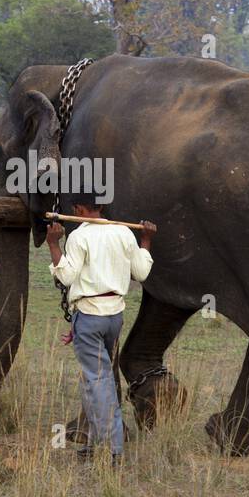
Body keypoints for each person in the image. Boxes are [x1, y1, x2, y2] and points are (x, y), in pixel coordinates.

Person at [46, 197, 156, 465]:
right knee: (95, 380)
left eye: (75, 210)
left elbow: (66, 277)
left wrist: (53, 244)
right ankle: (95, 443)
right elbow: (141, 273)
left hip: (90, 317)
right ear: (102, 208)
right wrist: (146, 240)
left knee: (98, 382)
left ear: (78, 210)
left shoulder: (78, 236)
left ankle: (113, 450)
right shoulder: (123, 232)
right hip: (113, 318)